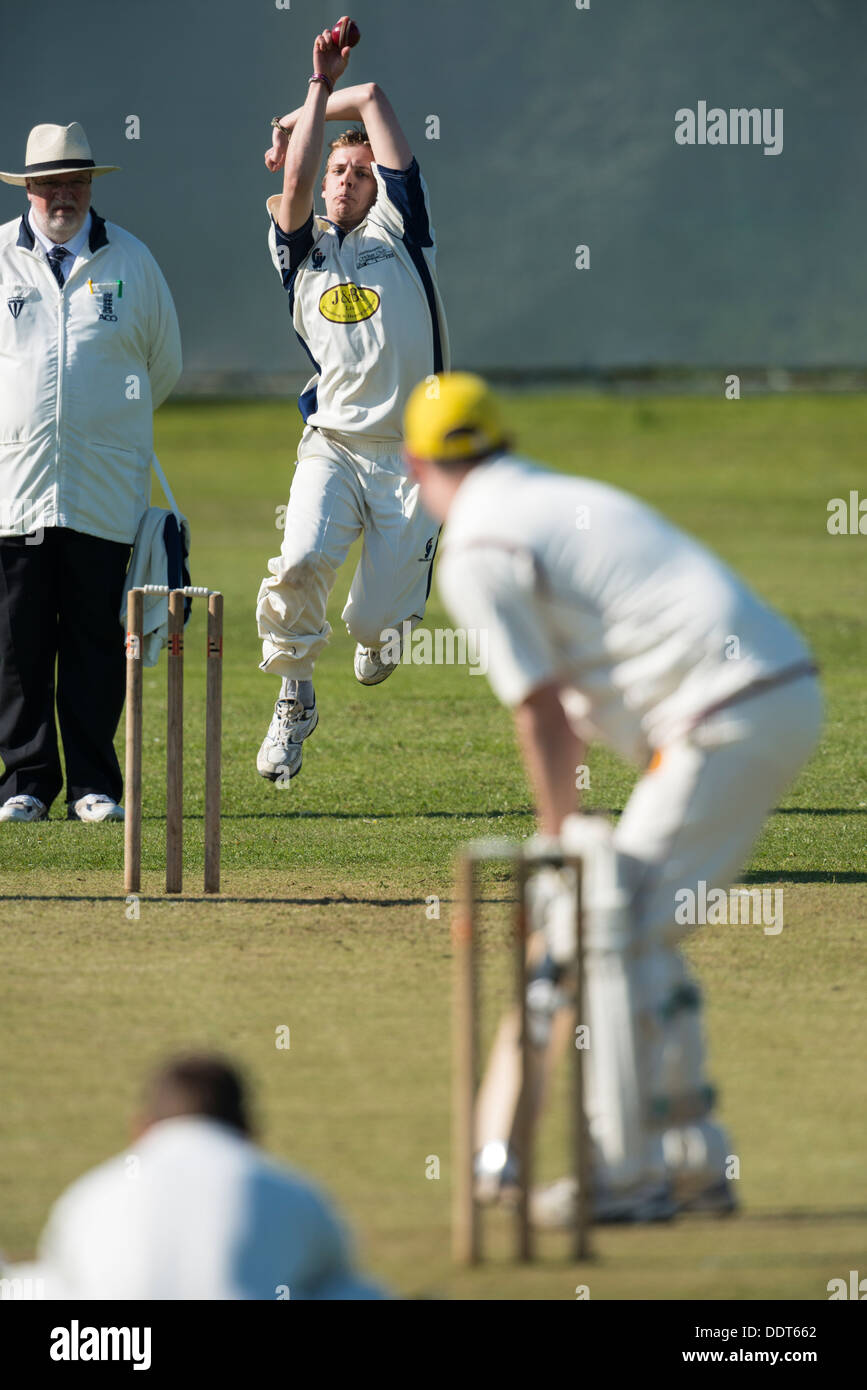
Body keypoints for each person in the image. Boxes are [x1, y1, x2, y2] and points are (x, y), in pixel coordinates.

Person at [404, 372, 823, 1224]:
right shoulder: (551, 497)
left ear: (414, 467)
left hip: (724, 711)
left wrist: (557, 839)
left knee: (608, 932)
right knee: (639, 935)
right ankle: (693, 1164)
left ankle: (629, 1182)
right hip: (772, 692)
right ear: (501, 440)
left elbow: (541, 711)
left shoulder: (478, 546)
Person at [255, 25, 449, 785]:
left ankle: (389, 621)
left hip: (411, 455)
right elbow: (294, 188)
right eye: (335, 168)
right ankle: (294, 697)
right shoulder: (297, 249)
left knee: (372, 624)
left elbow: (372, 100)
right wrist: (309, 100)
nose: (343, 180)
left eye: (358, 172)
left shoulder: (404, 233)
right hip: (332, 444)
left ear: (378, 190)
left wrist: (318, 94)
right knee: (298, 559)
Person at [0, 123, 181, 823]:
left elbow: (162, 365)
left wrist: (103, 423)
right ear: (30, 190)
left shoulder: (130, 260)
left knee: (96, 640)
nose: (63, 195)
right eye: (49, 184)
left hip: (101, 488)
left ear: (91, 186)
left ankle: (94, 783)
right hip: (13, 486)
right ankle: (26, 782)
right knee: (17, 645)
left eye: (75, 182)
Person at [3, 1053, 385, 1299]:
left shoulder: (90, 1197)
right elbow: (345, 1287)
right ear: (250, 1129)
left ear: (141, 1128)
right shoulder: (293, 1194)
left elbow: (48, 1289)